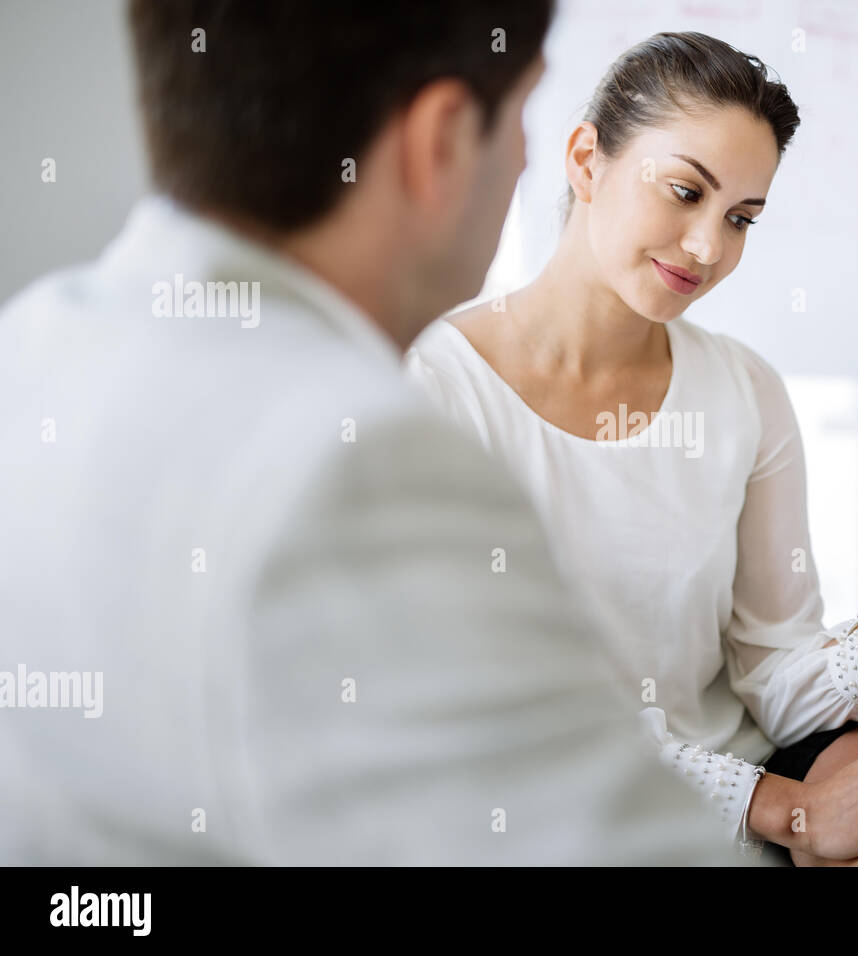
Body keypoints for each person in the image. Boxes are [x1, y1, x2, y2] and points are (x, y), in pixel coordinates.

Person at [0, 1, 733, 865]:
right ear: (442, 142)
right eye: (525, 118)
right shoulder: (361, 463)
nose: (532, 158)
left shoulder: (33, 341)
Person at [408, 31, 858, 865]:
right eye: (683, 191)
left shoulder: (744, 390)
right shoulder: (433, 388)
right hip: (550, 796)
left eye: (741, 218)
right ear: (586, 159)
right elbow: (493, 713)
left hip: (749, 762)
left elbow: (774, 680)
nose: (709, 247)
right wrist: (787, 810)